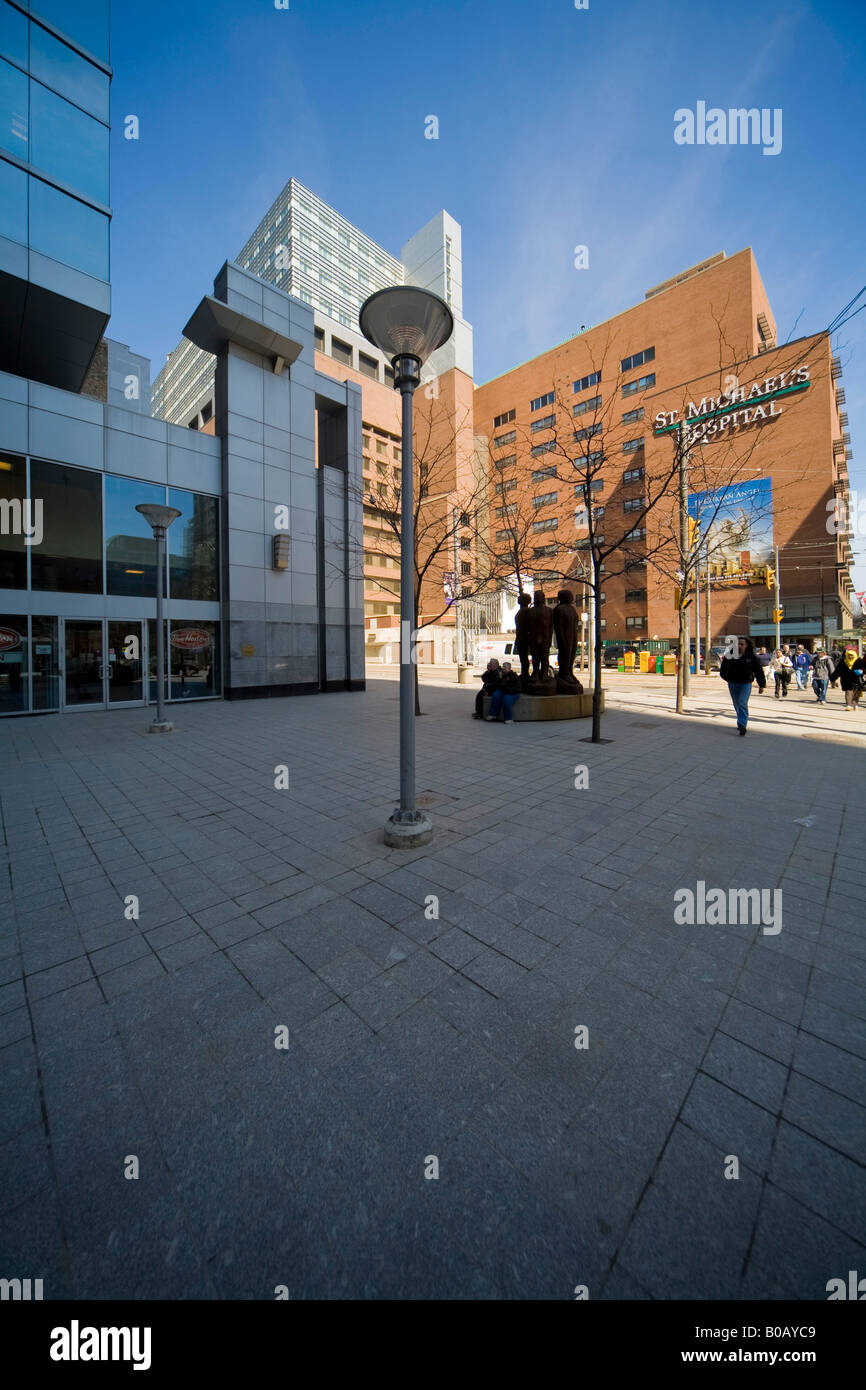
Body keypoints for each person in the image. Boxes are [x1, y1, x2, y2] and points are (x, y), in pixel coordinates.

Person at [720, 636, 766, 734]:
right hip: (733, 683)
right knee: (737, 704)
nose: (739, 646)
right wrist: (728, 679)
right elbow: (723, 670)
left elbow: (758, 671)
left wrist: (761, 685)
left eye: (742, 644)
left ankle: (742, 724)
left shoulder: (751, 657)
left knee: (742, 703)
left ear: (747, 645)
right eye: (738, 644)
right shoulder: (729, 656)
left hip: (746, 684)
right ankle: (741, 719)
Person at [833, 647, 866, 711]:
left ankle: (855, 704)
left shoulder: (859, 661)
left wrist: (862, 671)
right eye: (849, 655)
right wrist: (833, 677)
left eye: (852, 655)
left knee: (856, 693)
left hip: (857, 680)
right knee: (848, 692)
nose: (850, 657)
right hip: (846, 679)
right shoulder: (843, 661)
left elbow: (864, 668)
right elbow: (838, 670)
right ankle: (849, 705)